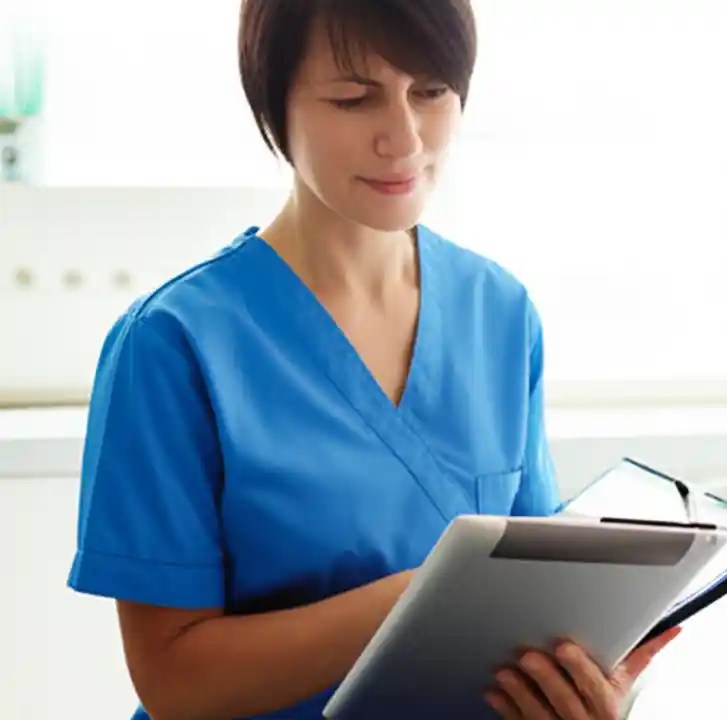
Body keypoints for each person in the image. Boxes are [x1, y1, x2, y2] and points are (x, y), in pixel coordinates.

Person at [66, 1, 675, 718]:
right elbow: (174, 681)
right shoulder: (174, 343)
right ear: (274, 104)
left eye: (432, 92)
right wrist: (426, 594)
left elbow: (531, 603)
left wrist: (582, 686)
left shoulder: (500, 311)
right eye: (353, 98)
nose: (404, 139)